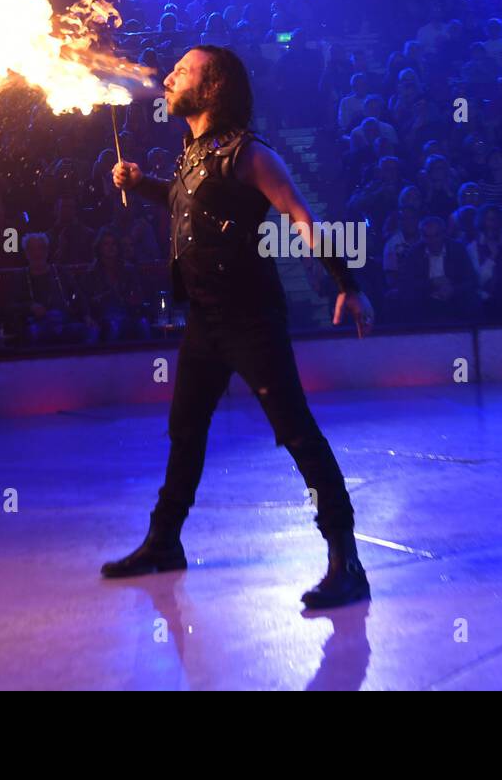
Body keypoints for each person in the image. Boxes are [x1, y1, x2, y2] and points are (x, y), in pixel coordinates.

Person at [102, 45, 375, 609]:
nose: (169, 76)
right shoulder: (192, 153)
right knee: (185, 431)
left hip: (250, 318)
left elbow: (301, 217)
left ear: (213, 87)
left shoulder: (250, 154)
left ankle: (346, 561)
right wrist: (143, 183)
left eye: (183, 70)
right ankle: (164, 542)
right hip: (204, 319)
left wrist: (346, 283)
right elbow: (184, 201)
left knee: (296, 432)